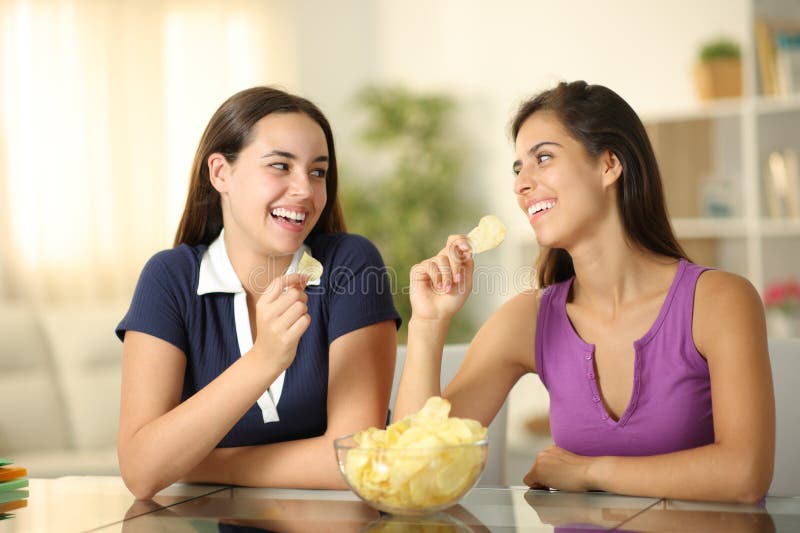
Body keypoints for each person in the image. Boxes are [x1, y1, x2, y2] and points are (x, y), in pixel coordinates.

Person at [394, 81, 775, 503]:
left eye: (543, 157)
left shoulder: (719, 302)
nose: (522, 183)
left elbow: (745, 475)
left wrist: (591, 470)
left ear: (609, 164)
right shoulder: (529, 319)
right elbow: (419, 468)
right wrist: (428, 323)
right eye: (518, 168)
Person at [116, 87, 400, 499]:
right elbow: (142, 472)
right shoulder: (169, 278)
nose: (305, 189)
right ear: (221, 173)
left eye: (317, 171)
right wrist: (265, 359)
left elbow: (355, 460)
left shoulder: (351, 264)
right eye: (281, 166)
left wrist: (199, 462)